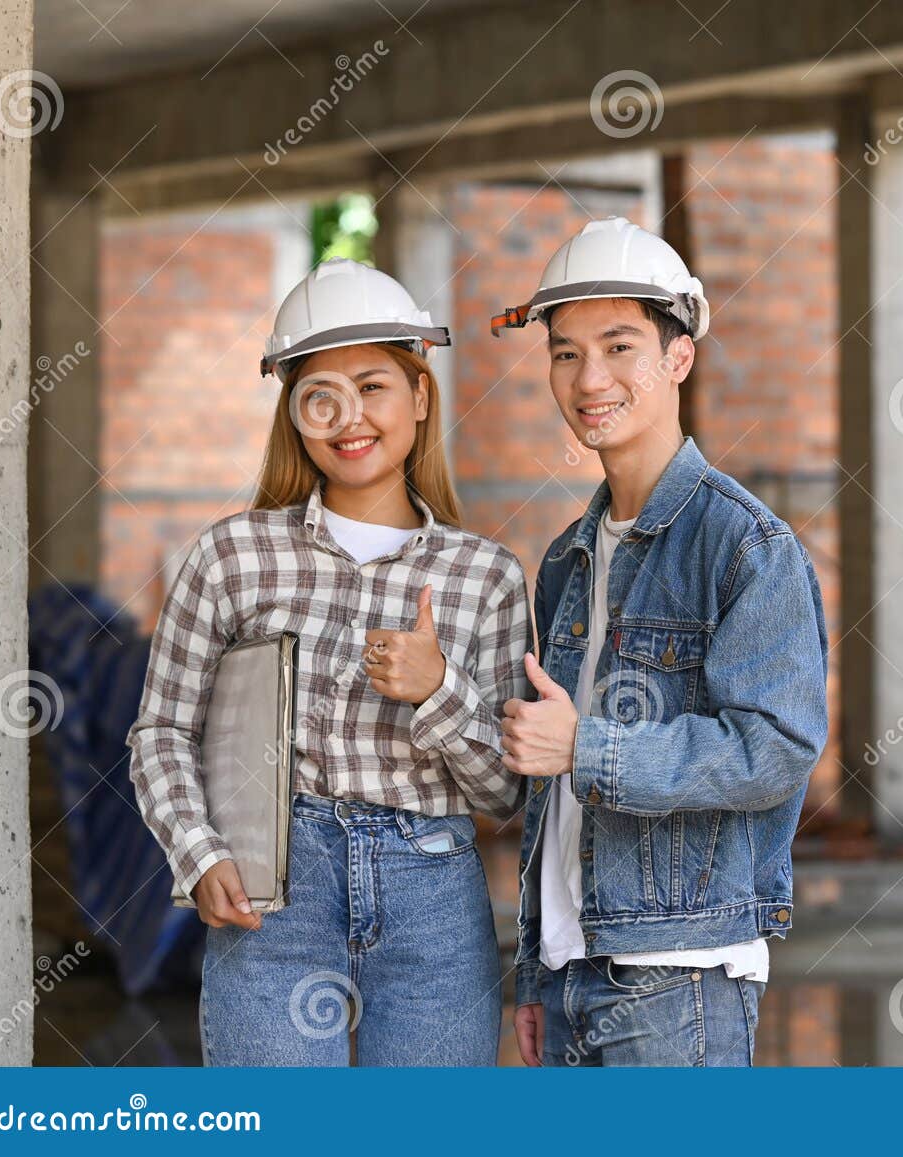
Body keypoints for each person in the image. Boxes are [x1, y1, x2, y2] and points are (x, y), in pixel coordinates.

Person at [127, 258, 531, 1066]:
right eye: (322, 392)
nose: (351, 415)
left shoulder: (485, 576)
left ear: (420, 396)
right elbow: (161, 732)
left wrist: (438, 691)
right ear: (296, 413)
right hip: (273, 896)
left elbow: (506, 793)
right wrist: (200, 852)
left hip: (435, 905)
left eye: (374, 385)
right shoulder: (231, 557)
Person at [491, 217, 829, 1066]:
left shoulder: (745, 544)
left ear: (678, 357)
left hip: (678, 980)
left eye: (618, 346)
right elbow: (548, 795)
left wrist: (589, 746)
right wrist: (535, 970)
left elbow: (777, 747)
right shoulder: (567, 557)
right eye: (565, 352)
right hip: (573, 970)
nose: (589, 378)